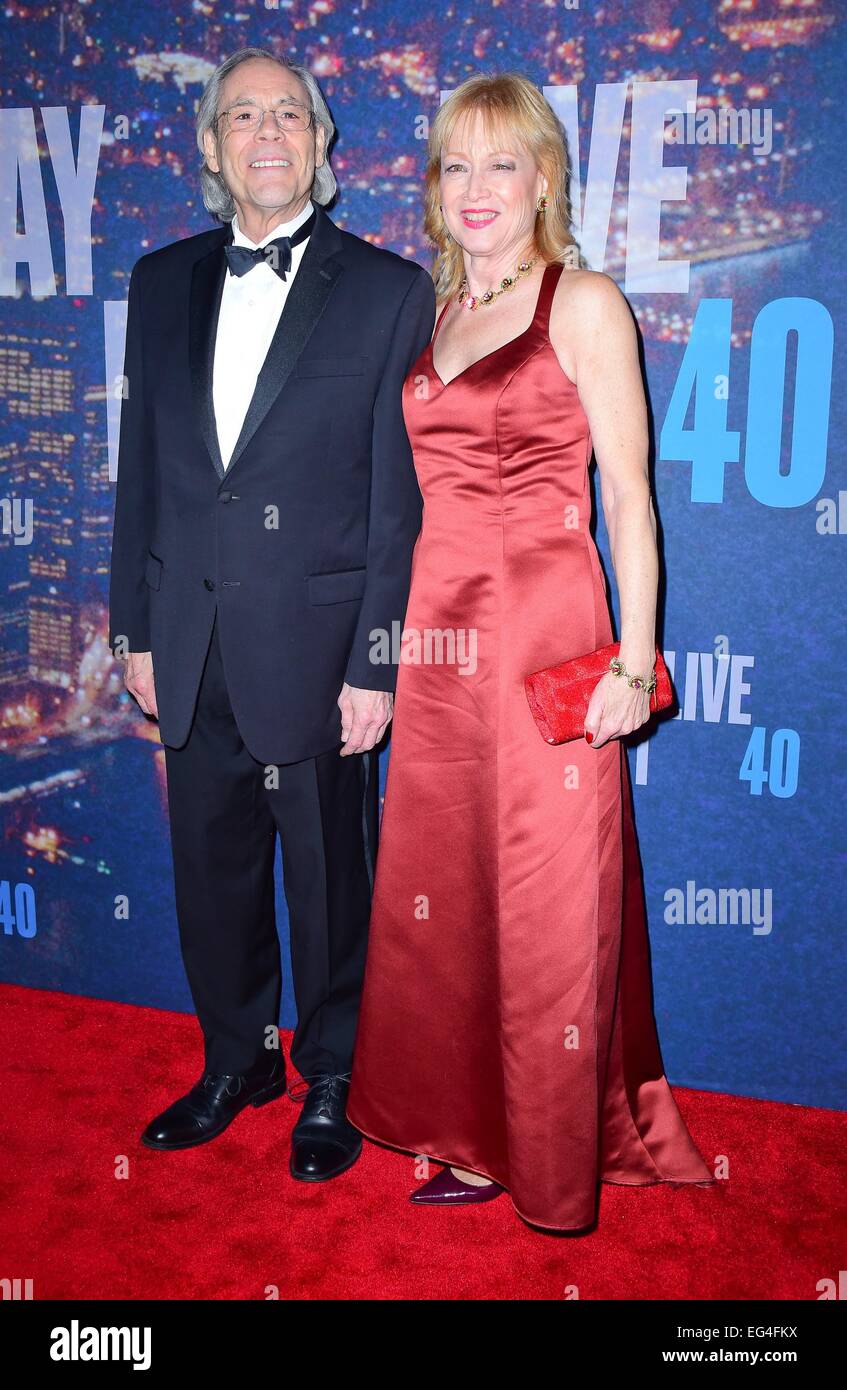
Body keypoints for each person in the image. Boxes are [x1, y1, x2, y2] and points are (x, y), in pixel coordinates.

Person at [346, 72, 715, 1231]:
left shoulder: (584, 302)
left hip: (547, 627)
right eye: (454, 164)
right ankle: (470, 1127)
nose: (474, 187)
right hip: (438, 643)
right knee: (448, 899)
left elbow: (628, 496)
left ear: (544, 177)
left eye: (500, 162)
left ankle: (552, 1154)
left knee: (549, 903)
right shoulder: (439, 313)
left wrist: (630, 659)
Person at [108, 47, 435, 1182]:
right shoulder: (160, 281)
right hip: (190, 641)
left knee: (331, 881)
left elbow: (400, 503)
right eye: (239, 115)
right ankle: (238, 1058)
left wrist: (376, 662)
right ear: (208, 147)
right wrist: (133, 632)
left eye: (287, 115)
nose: (264, 134)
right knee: (212, 869)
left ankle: (334, 1076)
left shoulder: (392, 291)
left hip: (319, 649)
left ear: (322, 143)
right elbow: (139, 472)